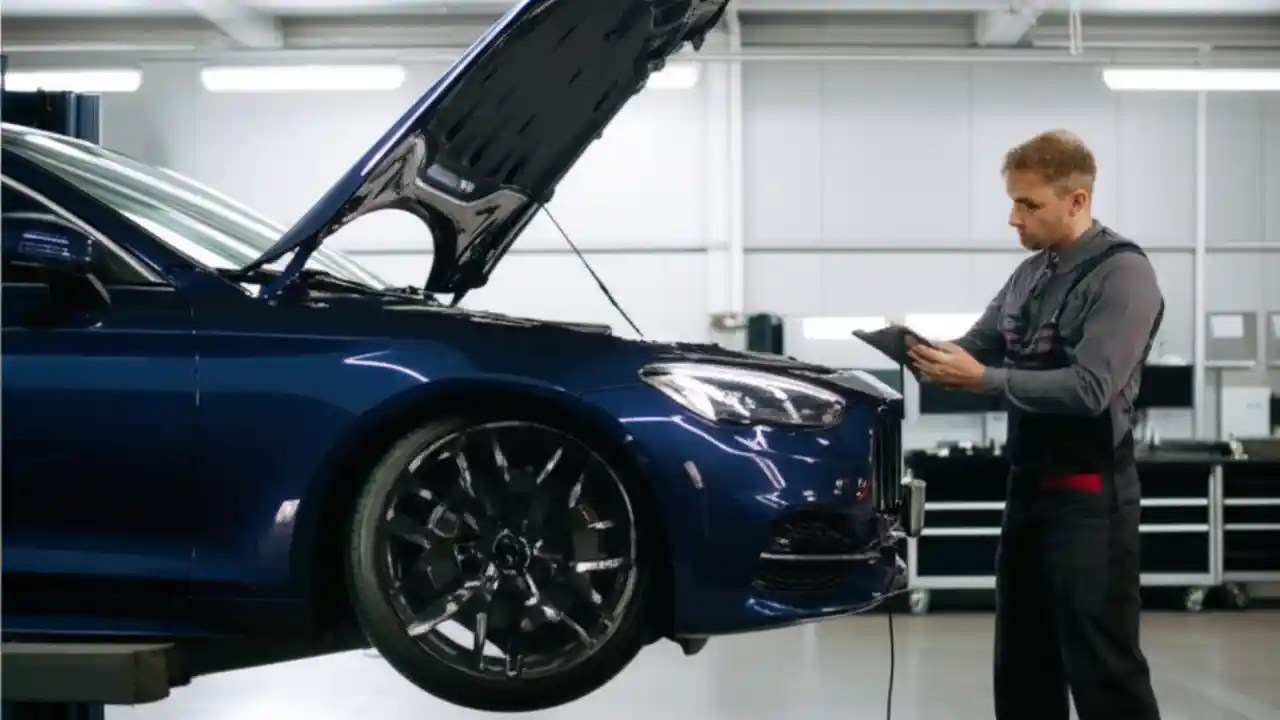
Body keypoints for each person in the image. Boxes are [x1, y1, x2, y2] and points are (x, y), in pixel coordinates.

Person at [906, 129, 1164, 720]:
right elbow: (978, 345)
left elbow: (1092, 387)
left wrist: (984, 379)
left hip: (1091, 496)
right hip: (1028, 491)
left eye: (1029, 204)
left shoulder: (1123, 274)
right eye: (1012, 202)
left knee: (1103, 666)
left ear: (1077, 200)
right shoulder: (1028, 275)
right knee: (1023, 662)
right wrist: (921, 352)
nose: (1014, 218)